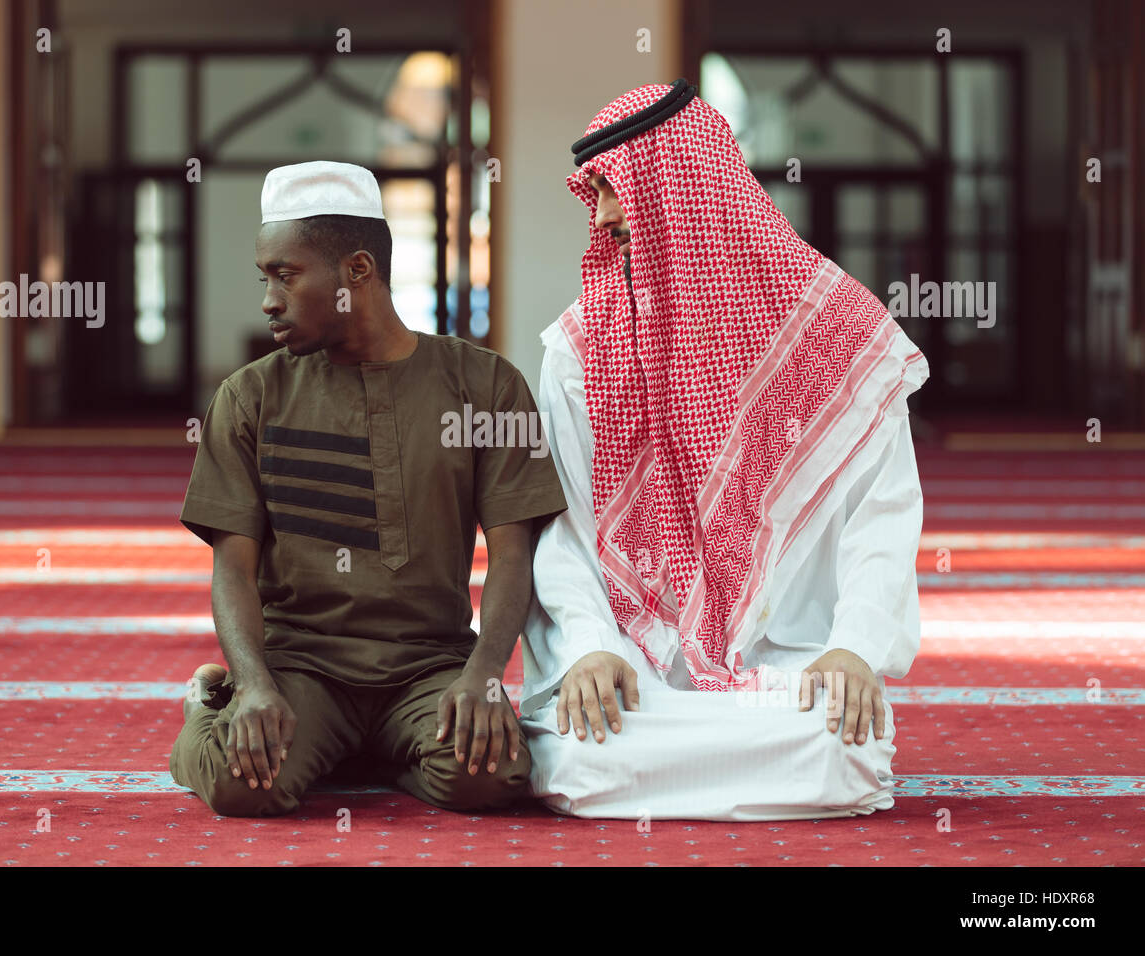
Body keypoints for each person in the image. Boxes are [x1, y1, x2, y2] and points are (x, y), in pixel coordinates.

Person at [519, 80, 931, 820]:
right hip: (638, 661)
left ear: (687, 193)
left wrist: (856, 649)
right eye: (596, 192)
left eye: (615, 189)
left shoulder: (834, 333)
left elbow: (885, 513)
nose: (603, 214)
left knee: (839, 747)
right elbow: (566, 527)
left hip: (790, 665)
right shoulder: (580, 352)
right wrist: (586, 645)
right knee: (579, 752)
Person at [170, 161, 567, 817]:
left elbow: (513, 553)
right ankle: (206, 712)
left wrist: (482, 678)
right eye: (264, 278)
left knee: (491, 774)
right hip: (302, 666)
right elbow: (233, 569)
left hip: (428, 665)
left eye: (285, 276)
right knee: (242, 783)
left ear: (358, 271)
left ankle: (373, 746)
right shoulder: (250, 396)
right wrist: (255, 685)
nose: (268, 301)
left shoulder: (487, 386)